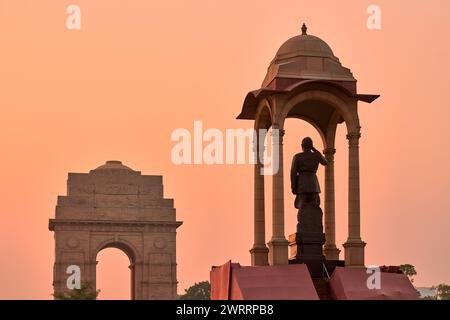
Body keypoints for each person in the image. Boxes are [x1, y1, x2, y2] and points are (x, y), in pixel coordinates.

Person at [290, 137, 328, 209]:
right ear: (311, 146)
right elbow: (325, 162)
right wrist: (314, 150)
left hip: (302, 184)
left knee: (302, 207)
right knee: (314, 207)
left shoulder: (297, 157)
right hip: (313, 184)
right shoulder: (316, 155)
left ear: (302, 146)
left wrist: (293, 186)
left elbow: (293, 173)